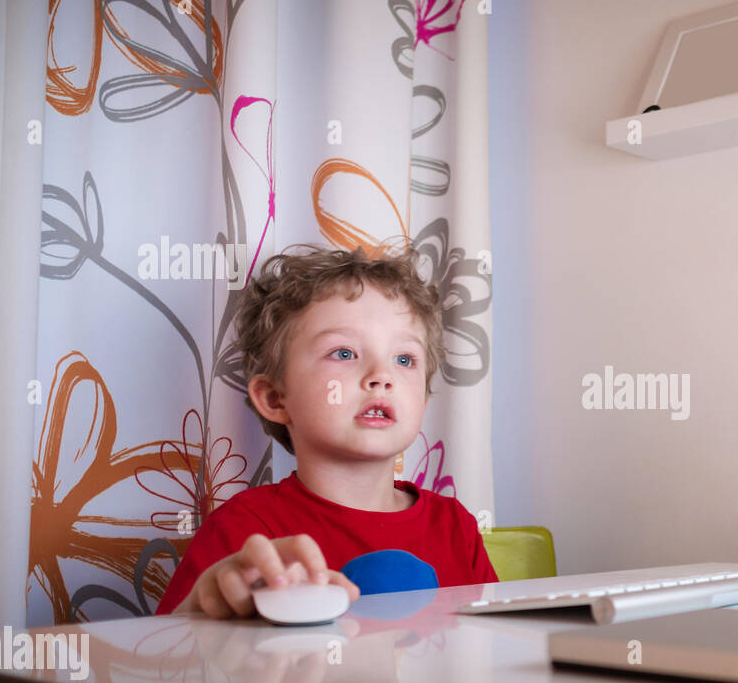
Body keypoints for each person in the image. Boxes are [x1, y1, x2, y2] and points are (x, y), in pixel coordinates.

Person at [155, 244, 498, 619]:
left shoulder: (455, 525)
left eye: (404, 359)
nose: (382, 377)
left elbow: (496, 646)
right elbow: (169, 663)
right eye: (344, 353)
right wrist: (197, 613)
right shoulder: (245, 531)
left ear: (423, 401)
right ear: (274, 398)